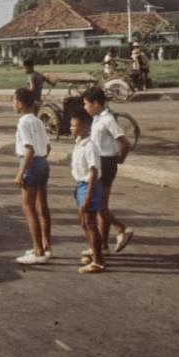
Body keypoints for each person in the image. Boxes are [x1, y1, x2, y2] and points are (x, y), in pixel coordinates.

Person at [82, 87, 134, 257]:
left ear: (96, 103)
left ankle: (122, 228)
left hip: (106, 163)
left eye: (86, 104)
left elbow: (125, 142)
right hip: (101, 162)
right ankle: (102, 245)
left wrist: (120, 159)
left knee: (98, 205)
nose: (85, 107)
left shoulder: (107, 119)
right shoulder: (97, 118)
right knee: (102, 206)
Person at [13, 88, 52, 265]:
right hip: (43, 162)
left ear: (20, 104)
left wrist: (20, 173)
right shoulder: (37, 120)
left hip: (31, 163)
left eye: (13, 101)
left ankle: (38, 251)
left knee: (28, 207)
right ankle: (46, 246)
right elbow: (47, 147)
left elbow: (29, 149)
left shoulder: (23, 122)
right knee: (42, 206)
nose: (13, 104)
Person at [69, 109, 105, 272]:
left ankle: (98, 261)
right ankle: (93, 253)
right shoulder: (79, 141)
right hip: (81, 185)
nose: (71, 128)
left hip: (89, 186)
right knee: (84, 222)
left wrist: (87, 196)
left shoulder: (90, 146)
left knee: (91, 224)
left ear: (86, 127)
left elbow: (94, 172)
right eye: (71, 125)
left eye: (74, 126)